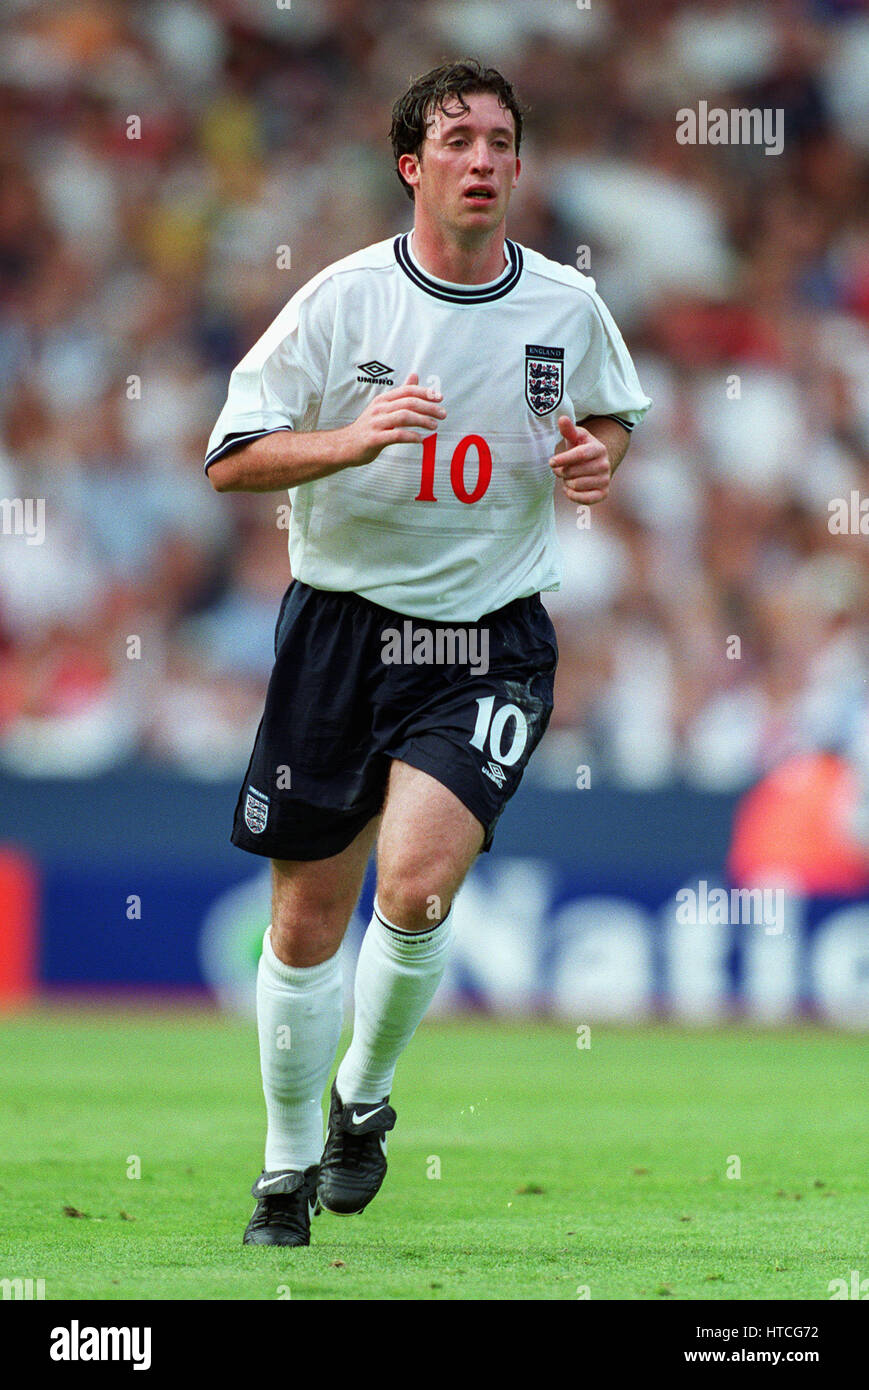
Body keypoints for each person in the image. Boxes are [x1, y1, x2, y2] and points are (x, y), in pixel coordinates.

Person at [205, 59, 651, 1246]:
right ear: (413, 166)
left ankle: (362, 1097)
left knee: (414, 884)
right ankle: (285, 1166)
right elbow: (232, 457)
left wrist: (598, 457)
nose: (482, 161)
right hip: (341, 631)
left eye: (500, 142)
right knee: (305, 923)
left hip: (486, 638)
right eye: (457, 140)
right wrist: (350, 442)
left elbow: (609, 413)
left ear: (518, 164)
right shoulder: (343, 301)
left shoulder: (563, 301)